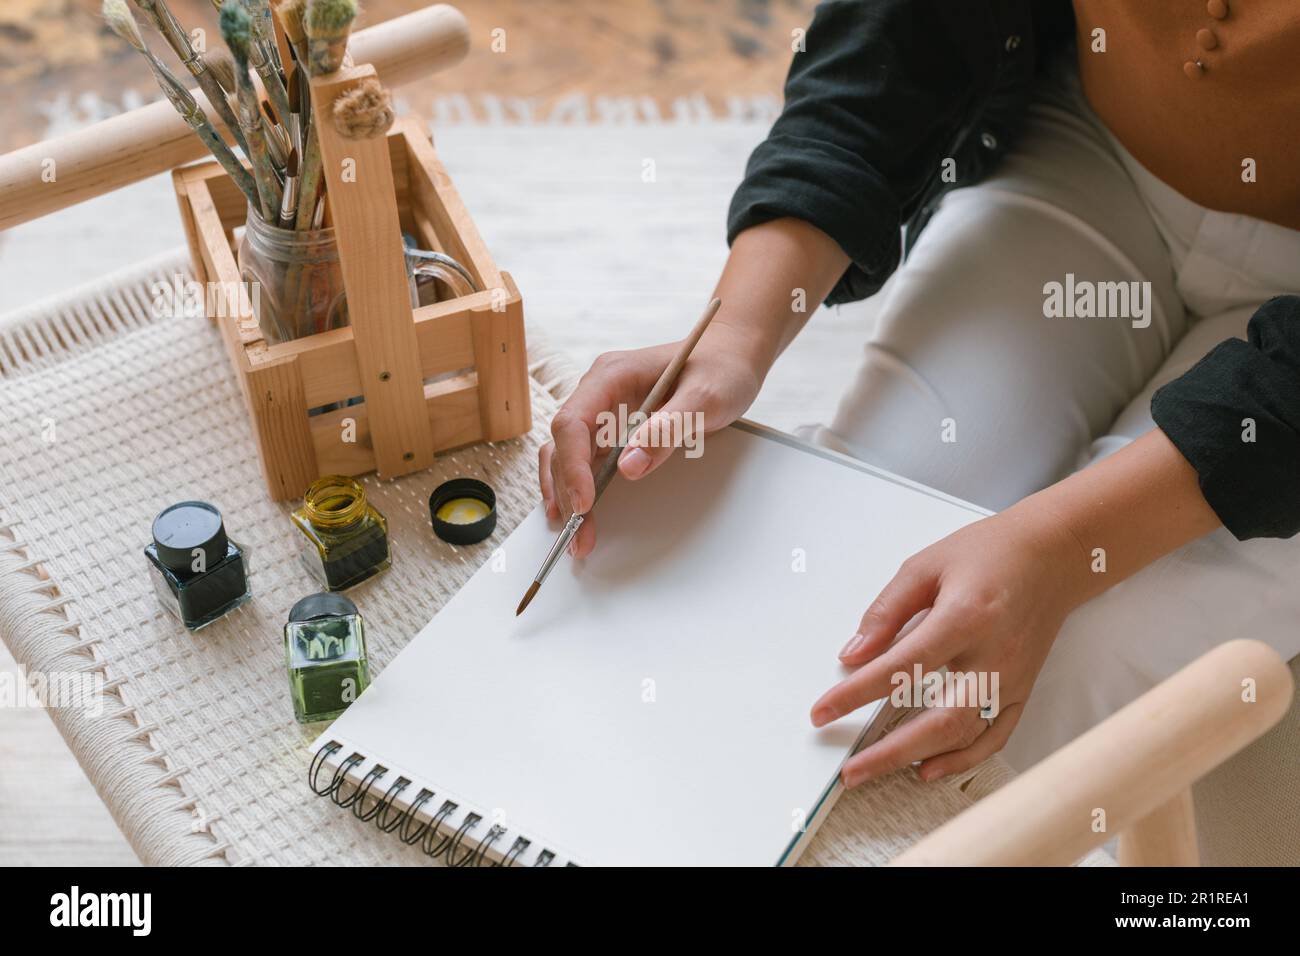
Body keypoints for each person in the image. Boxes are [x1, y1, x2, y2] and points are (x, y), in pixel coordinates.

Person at [538, 0, 1300, 781]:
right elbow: (896, 35)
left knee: (1061, 666)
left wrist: (1064, 551)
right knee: (864, 542)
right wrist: (737, 333)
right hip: (1099, 154)